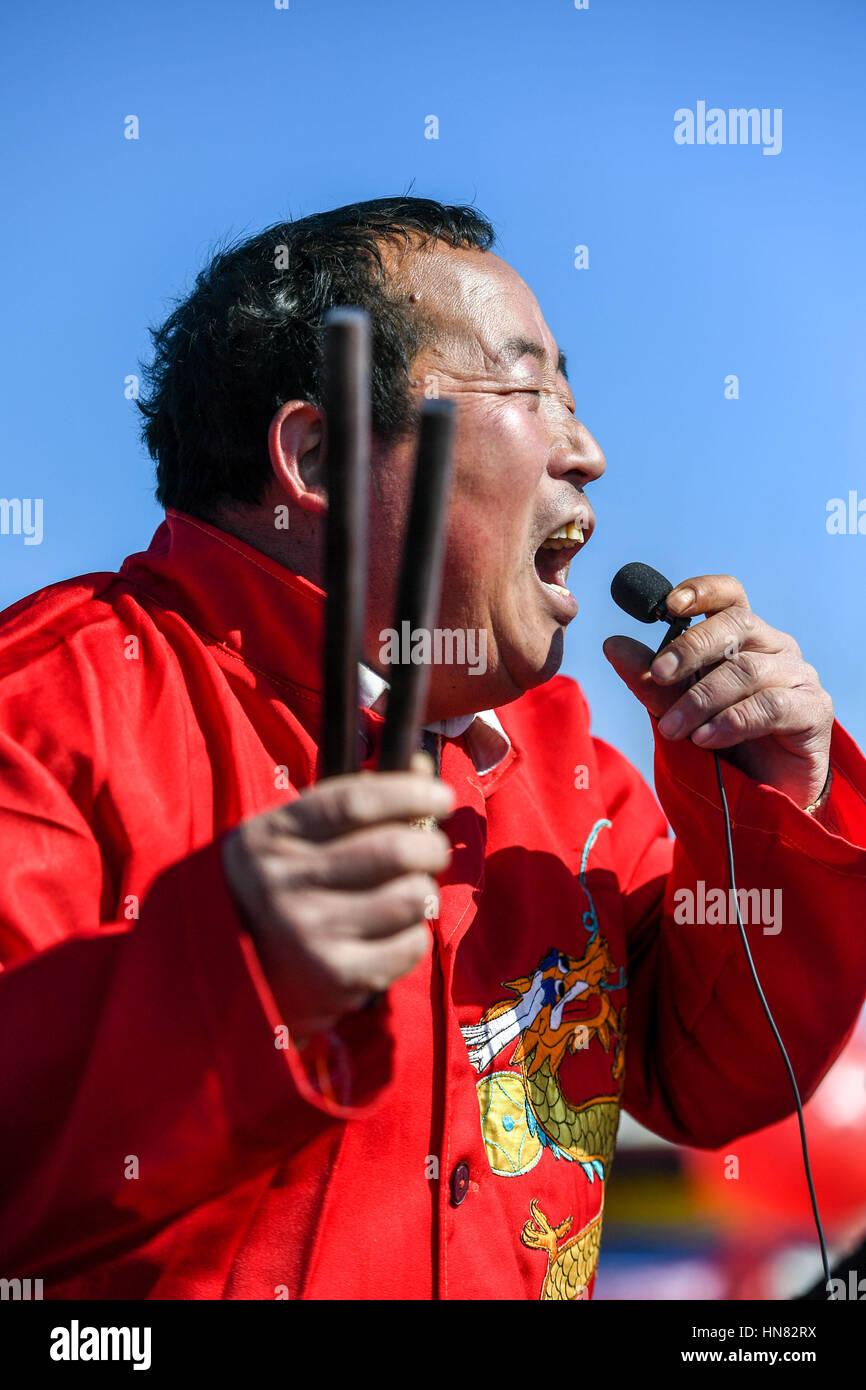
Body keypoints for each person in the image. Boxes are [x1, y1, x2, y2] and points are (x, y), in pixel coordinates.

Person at [1, 197, 864, 1301]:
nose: (588, 452)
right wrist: (235, 981)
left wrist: (769, 815)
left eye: (573, 395)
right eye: (526, 390)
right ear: (316, 455)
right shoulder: (46, 713)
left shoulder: (573, 774)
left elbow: (708, 1080)